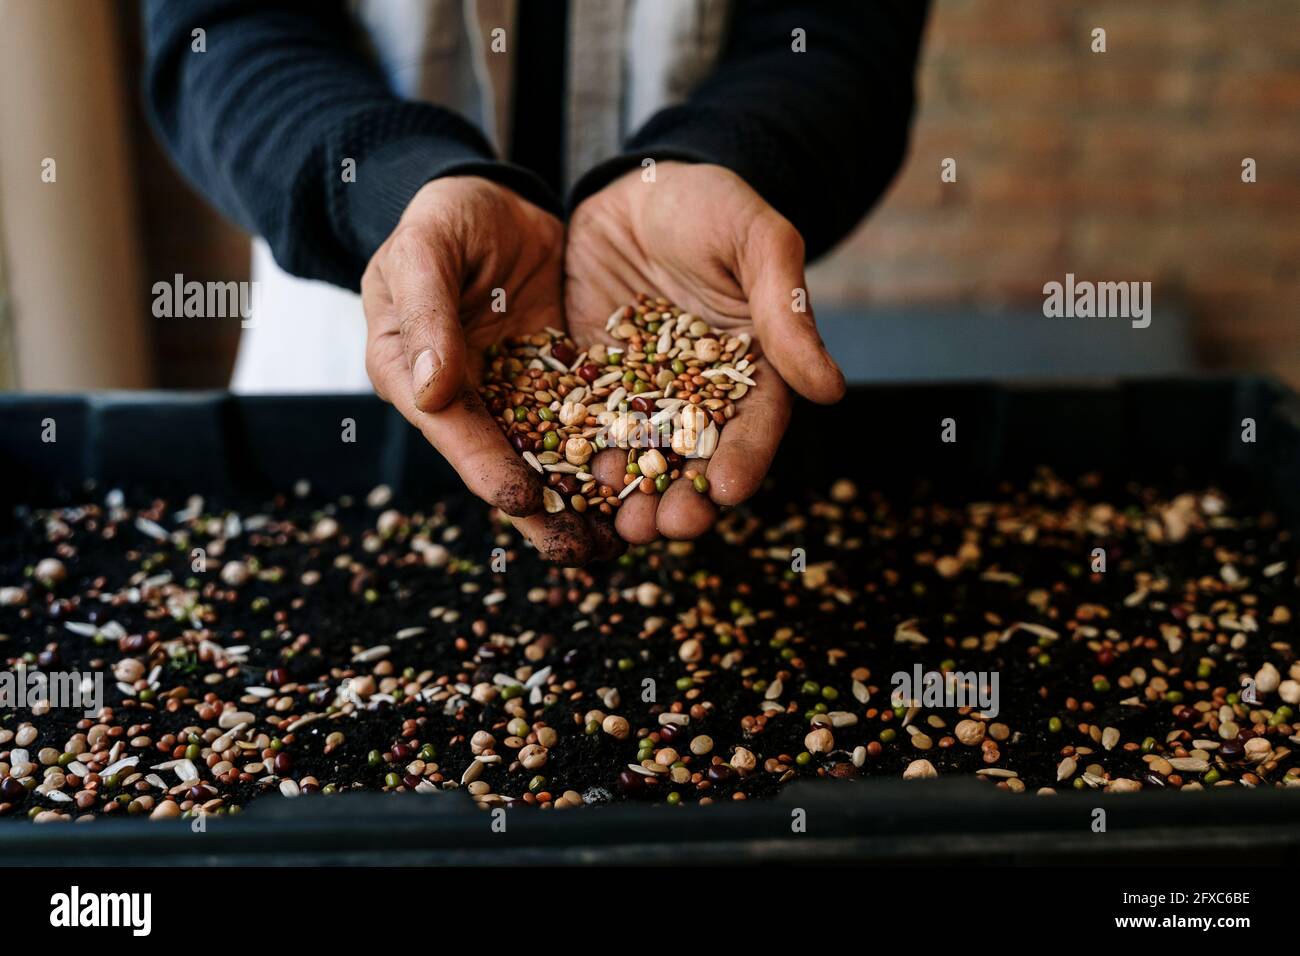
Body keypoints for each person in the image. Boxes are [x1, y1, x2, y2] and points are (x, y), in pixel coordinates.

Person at [143, 0, 929, 563]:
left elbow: (843, 31)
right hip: (364, 325)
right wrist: (394, 184)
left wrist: (729, 155)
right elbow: (218, 34)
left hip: (704, 313)